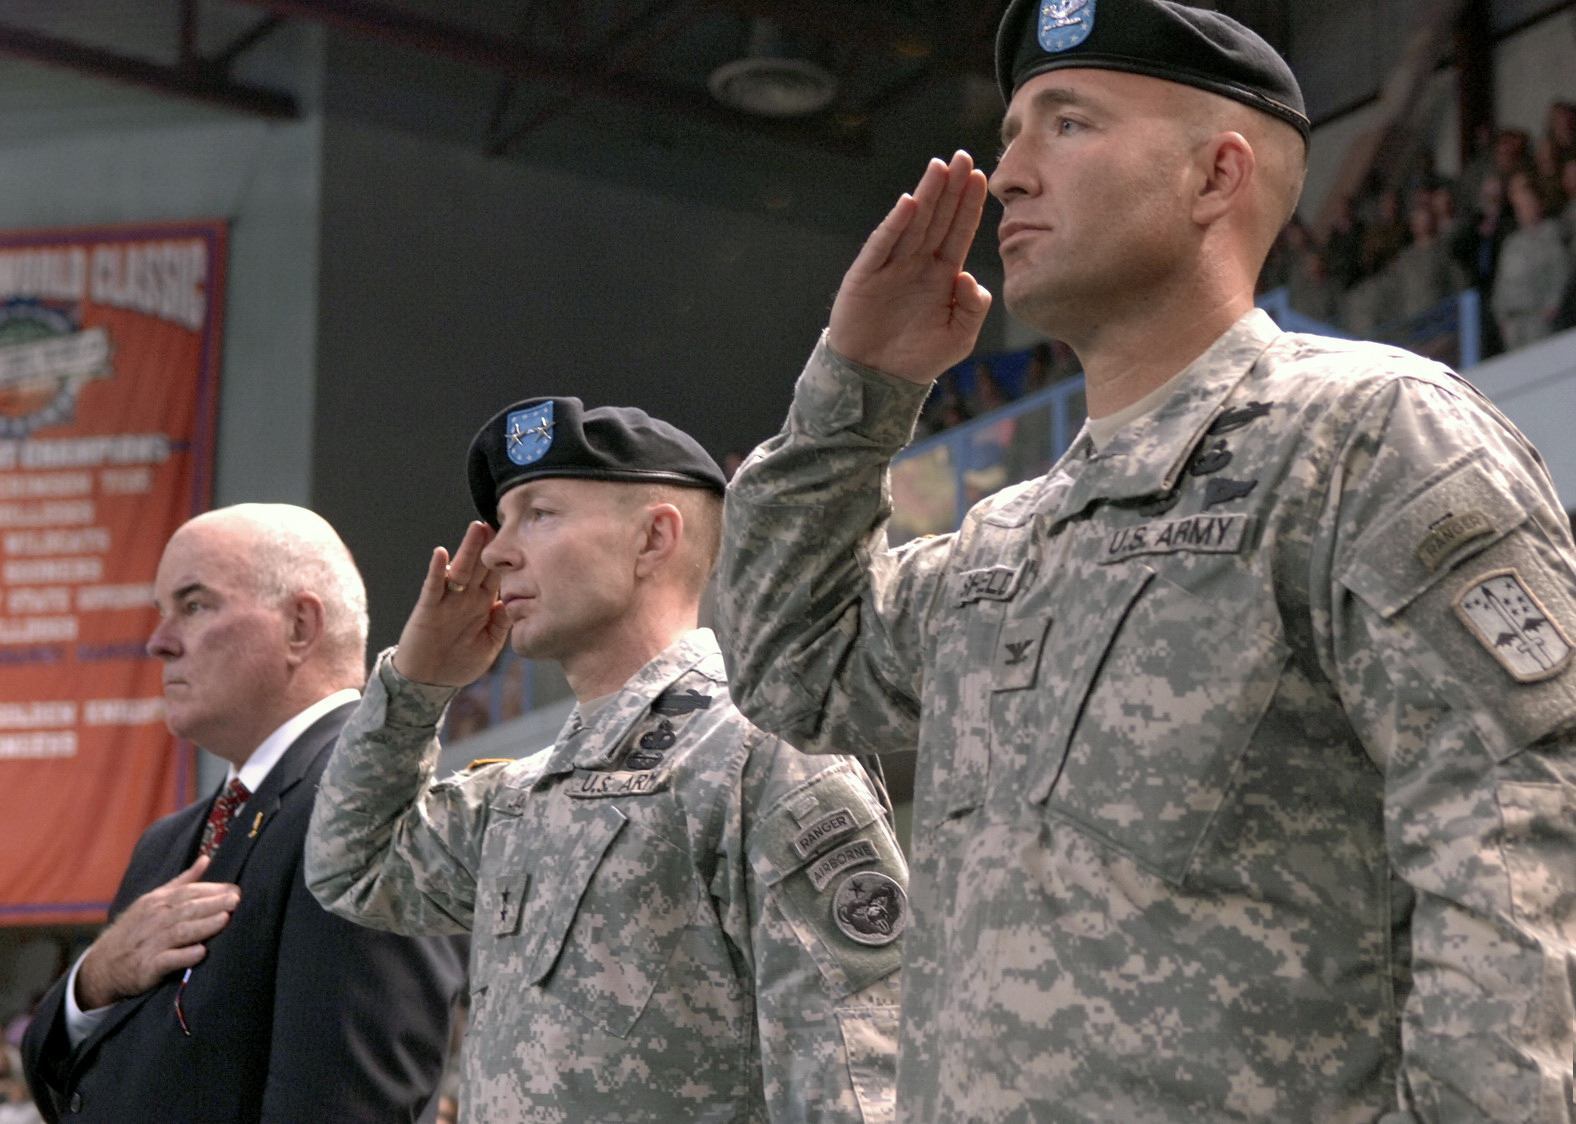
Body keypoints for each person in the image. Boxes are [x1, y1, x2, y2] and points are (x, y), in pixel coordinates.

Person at [716, 0, 1576, 1120]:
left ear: (1215, 176)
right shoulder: (1007, 543)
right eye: (1012, 134)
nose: (1009, 175)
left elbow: (1511, 854)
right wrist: (857, 386)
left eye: (1068, 124)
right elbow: (789, 662)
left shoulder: (1364, 441)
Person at [304, 398, 905, 1124]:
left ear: (653, 538)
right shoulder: (524, 796)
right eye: (502, 520)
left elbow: (861, 1083)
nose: (495, 552)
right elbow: (353, 867)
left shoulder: (759, 755)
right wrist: (414, 684)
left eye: (539, 514)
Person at [21, 504, 466, 1124]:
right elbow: (64, 1086)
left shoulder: (368, 812)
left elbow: (347, 1107)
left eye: (194, 605)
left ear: (299, 627)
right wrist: (93, 980)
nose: (158, 641)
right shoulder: (168, 842)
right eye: (162, 610)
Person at [1492, 169, 1569, 350]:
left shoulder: (1552, 235)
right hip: (1514, 323)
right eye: (1520, 208)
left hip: (1539, 320)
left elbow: (1560, 272)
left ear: (1540, 204)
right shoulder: (1511, 244)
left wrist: (1553, 305)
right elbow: (1501, 283)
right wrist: (1501, 317)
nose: (1524, 211)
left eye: (1528, 204)